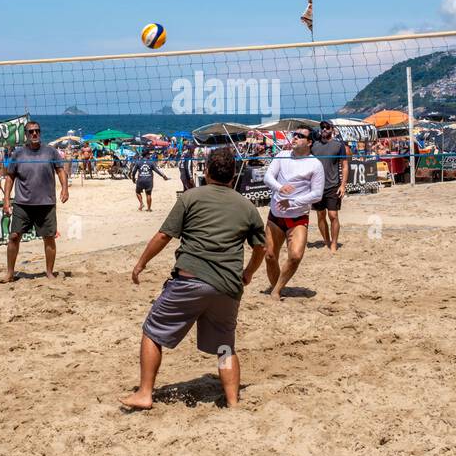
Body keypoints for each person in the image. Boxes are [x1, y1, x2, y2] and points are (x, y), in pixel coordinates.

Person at [121, 147, 266, 410]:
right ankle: (233, 402)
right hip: (228, 287)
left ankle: (144, 393)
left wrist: (141, 263)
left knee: (152, 331)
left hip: (190, 281)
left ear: (206, 171)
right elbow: (262, 249)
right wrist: (248, 273)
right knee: (225, 346)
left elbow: (165, 236)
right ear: (233, 176)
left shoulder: (191, 197)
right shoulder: (247, 207)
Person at [0, 120, 68, 283]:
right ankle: (10, 273)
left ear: (40, 132)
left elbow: (60, 171)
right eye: (31, 131)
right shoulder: (18, 154)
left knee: (49, 237)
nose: (34, 134)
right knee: (14, 237)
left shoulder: (51, 152)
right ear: (26, 134)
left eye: (37, 130)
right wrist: (6, 200)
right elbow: (10, 177)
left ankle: (49, 272)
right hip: (22, 204)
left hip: (46, 203)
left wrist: (65, 188)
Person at [261, 127, 324, 299]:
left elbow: (317, 195)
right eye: (294, 135)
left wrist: (292, 202)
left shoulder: (315, 164)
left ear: (309, 142)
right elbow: (267, 177)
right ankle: (276, 288)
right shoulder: (282, 155)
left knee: (295, 256)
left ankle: (276, 290)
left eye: (300, 136)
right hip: (276, 216)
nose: (295, 138)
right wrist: (280, 188)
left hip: (298, 216)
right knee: (270, 255)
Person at [309, 120, 350, 254]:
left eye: (327, 127)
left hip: (333, 185)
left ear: (332, 129)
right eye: (322, 127)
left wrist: (343, 185)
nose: (324, 129)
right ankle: (326, 240)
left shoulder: (338, 145)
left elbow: (344, 166)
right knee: (321, 215)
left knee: (333, 215)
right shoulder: (314, 145)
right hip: (317, 186)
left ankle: (333, 244)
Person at [130, 147, 169, 211]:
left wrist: (133, 179)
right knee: (148, 194)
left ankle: (141, 203)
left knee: (137, 192)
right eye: (149, 154)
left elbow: (133, 172)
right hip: (149, 180)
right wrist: (164, 176)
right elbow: (157, 170)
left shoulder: (138, 162)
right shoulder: (151, 162)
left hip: (140, 180)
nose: (150, 155)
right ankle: (148, 208)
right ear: (147, 155)